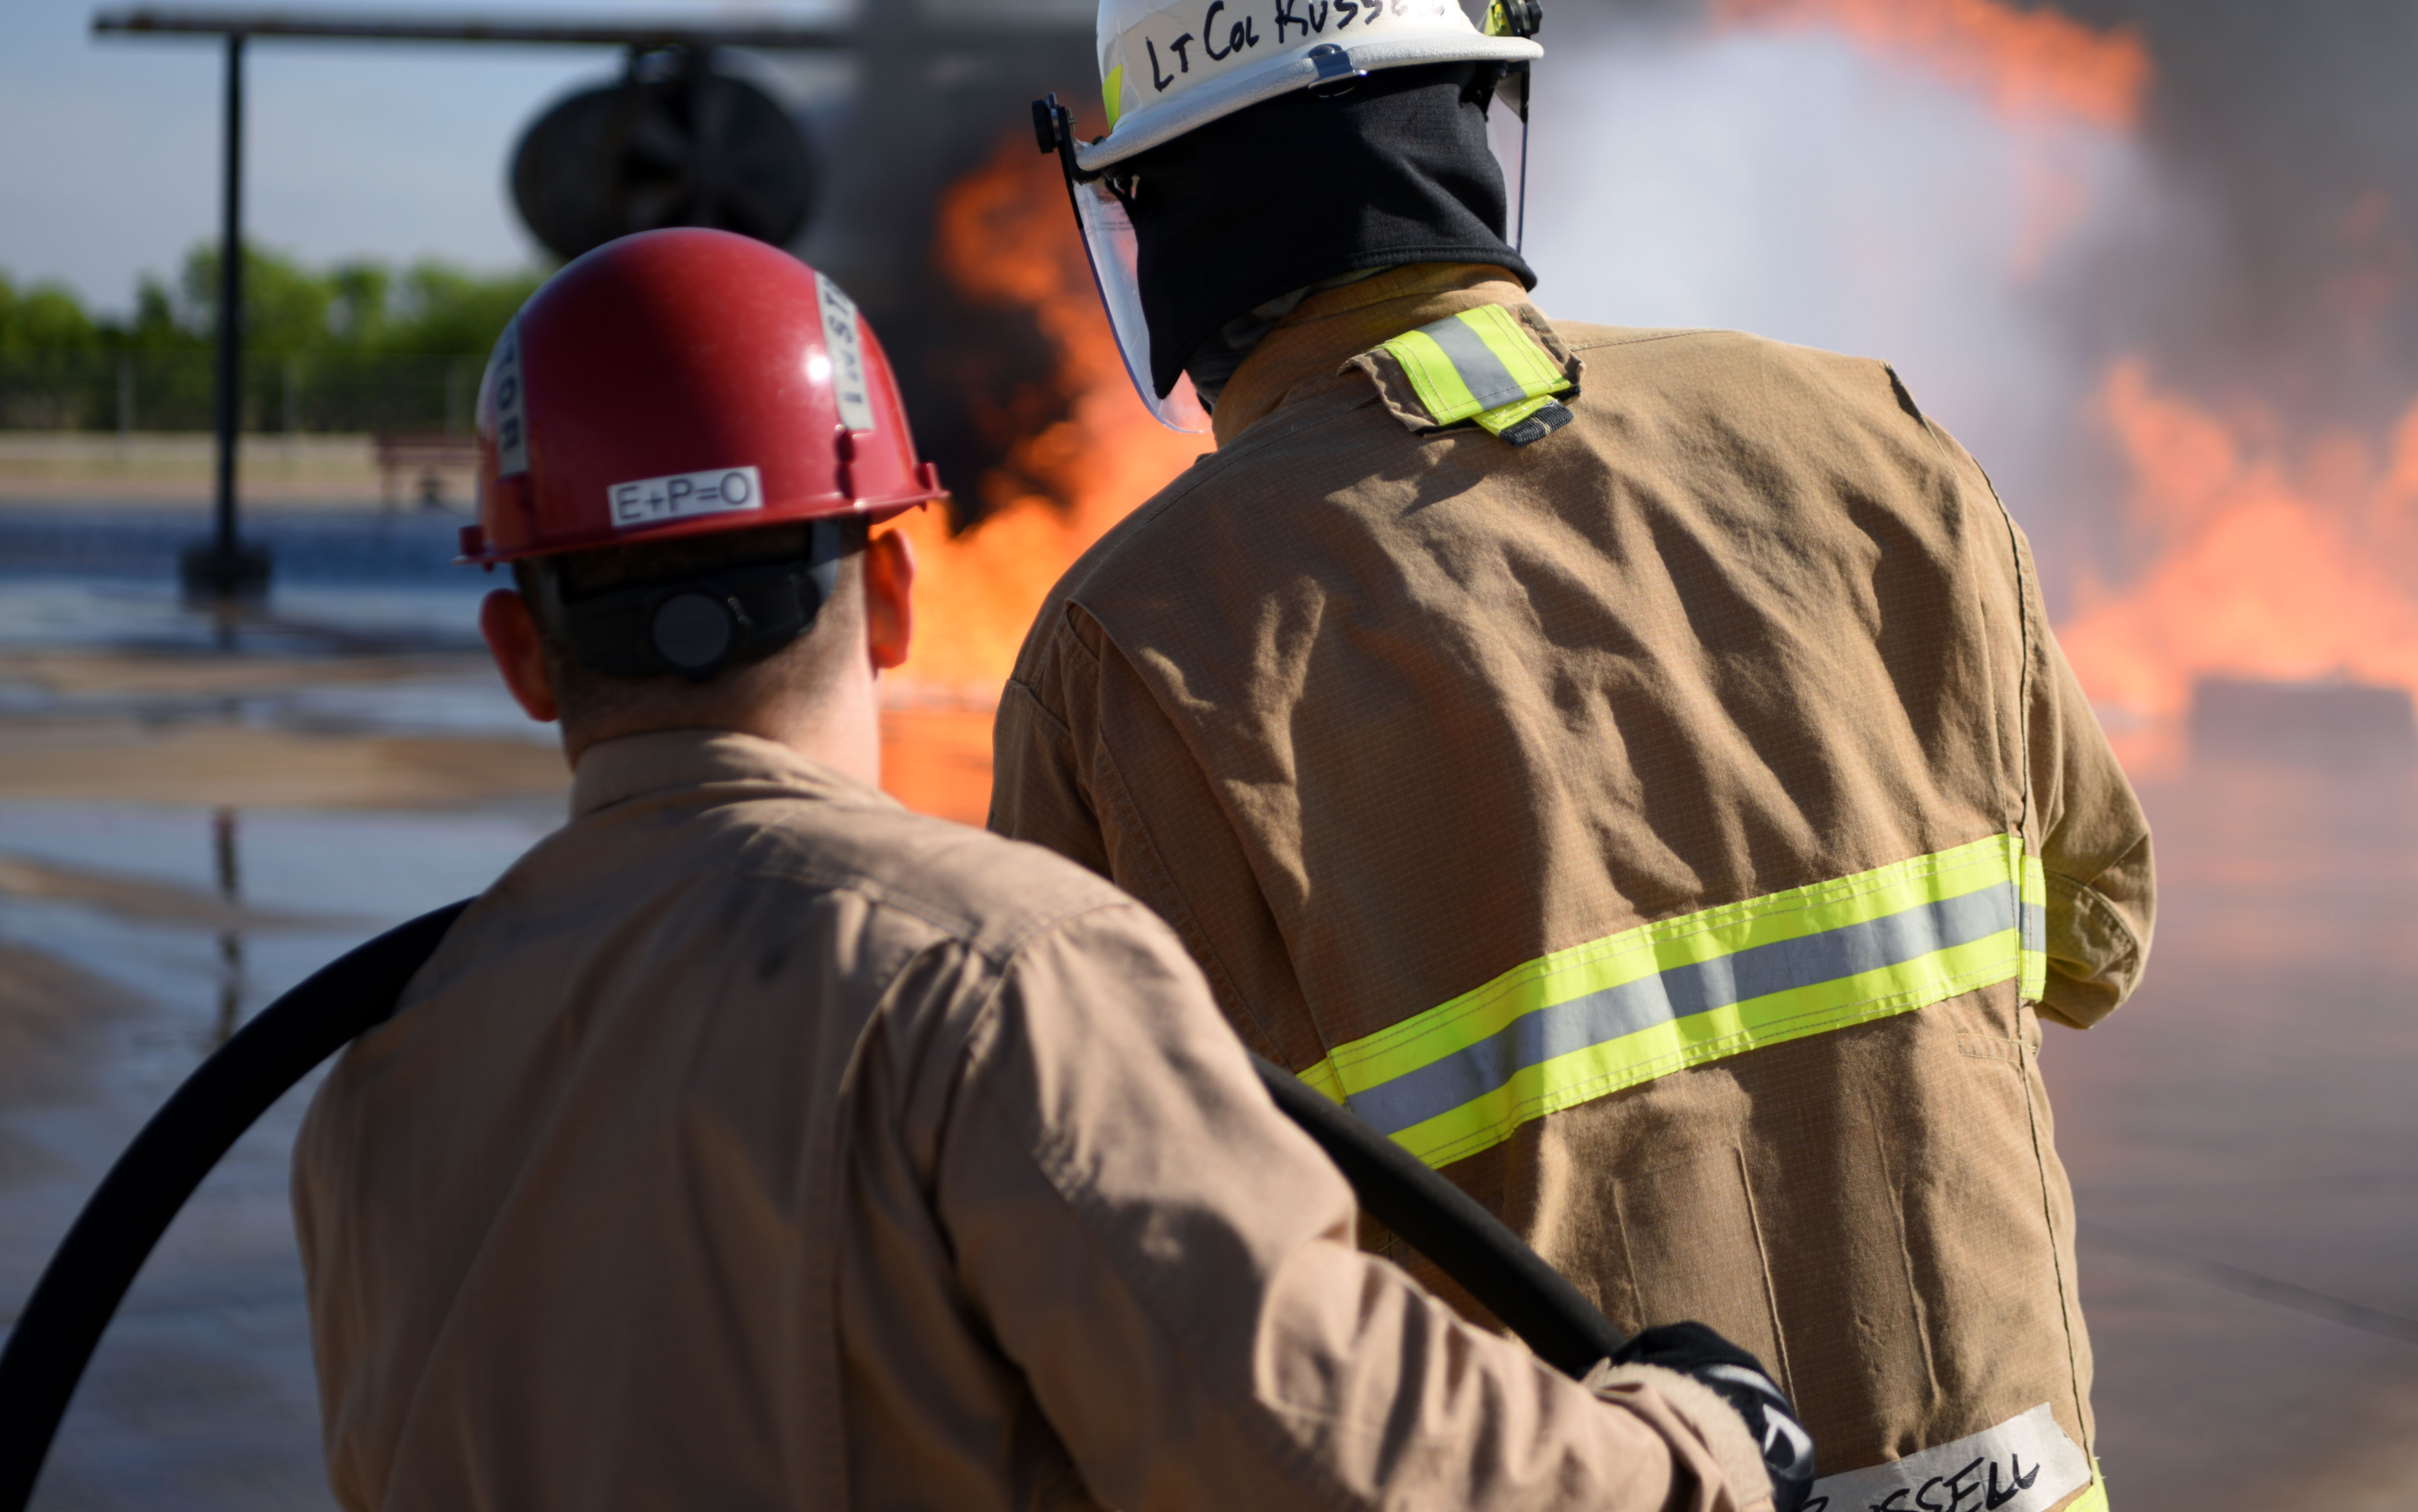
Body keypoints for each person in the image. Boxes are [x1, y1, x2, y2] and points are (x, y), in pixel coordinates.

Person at [290, 227, 1807, 1512]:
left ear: (519, 656)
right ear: (890, 591)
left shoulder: (375, 1095)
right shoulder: (999, 979)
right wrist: (1693, 1445)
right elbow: (1334, 1457)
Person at [993, 0, 2152, 1512]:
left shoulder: (1128, 650)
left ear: (1145, 219)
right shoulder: (1869, 446)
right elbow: (2093, 934)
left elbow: (1097, 1273)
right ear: (1469, 118)